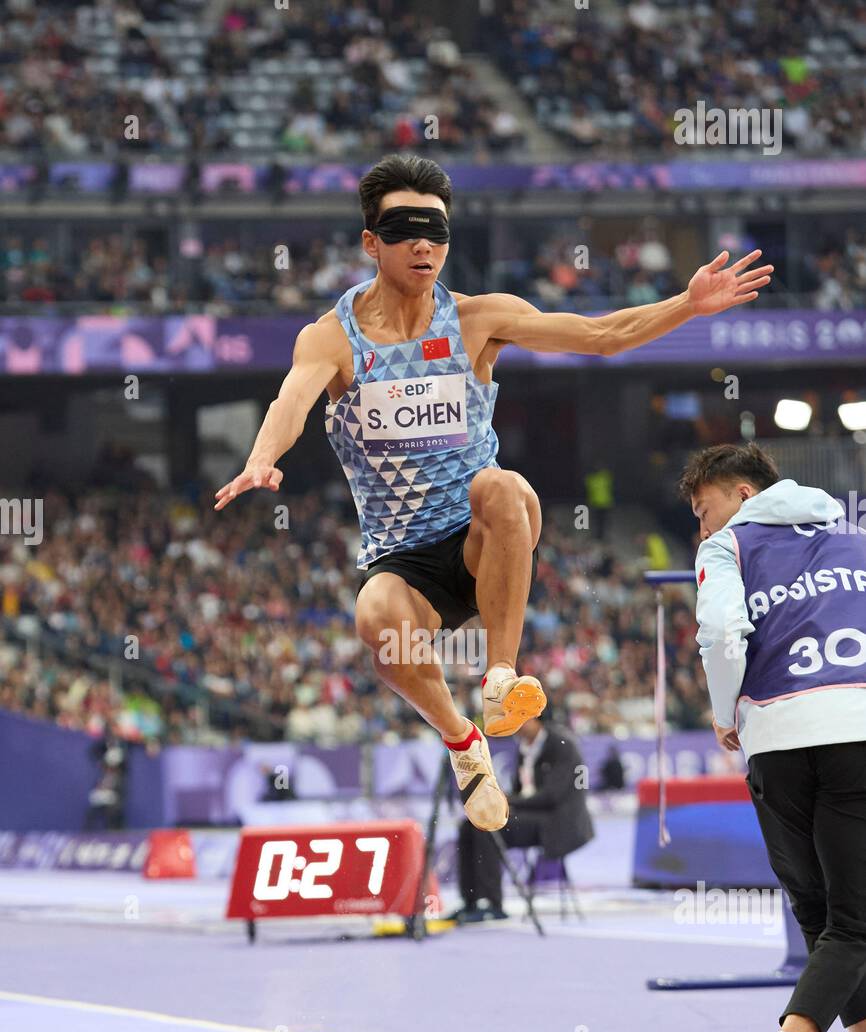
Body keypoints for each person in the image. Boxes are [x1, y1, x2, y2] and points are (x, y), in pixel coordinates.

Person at [214, 152, 772, 833]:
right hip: (404, 557)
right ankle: (463, 743)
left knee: (503, 487)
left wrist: (688, 303)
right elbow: (291, 397)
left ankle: (501, 677)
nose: (423, 244)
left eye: (437, 231)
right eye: (404, 229)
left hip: (483, 537)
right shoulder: (334, 337)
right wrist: (262, 458)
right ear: (370, 242)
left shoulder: (478, 318)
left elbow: (599, 336)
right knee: (373, 620)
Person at [680, 441, 866, 1032]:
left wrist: (726, 709)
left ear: (743, 493)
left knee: (828, 919)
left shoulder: (728, 548)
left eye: (705, 510)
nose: (702, 528)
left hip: (776, 742)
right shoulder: (856, 539)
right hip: (855, 729)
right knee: (849, 922)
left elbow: (723, 633)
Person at [453, 711, 594, 921]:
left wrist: (508, 801)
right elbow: (523, 791)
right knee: (469, 825)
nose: (513, 724)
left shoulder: (562, 744)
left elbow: (552, 796)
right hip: (531, 813)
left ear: (535, 718)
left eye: (519, 718)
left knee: (488, 829)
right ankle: (470, 901)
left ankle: (492, 903)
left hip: (557, 821)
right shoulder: (524, 747)